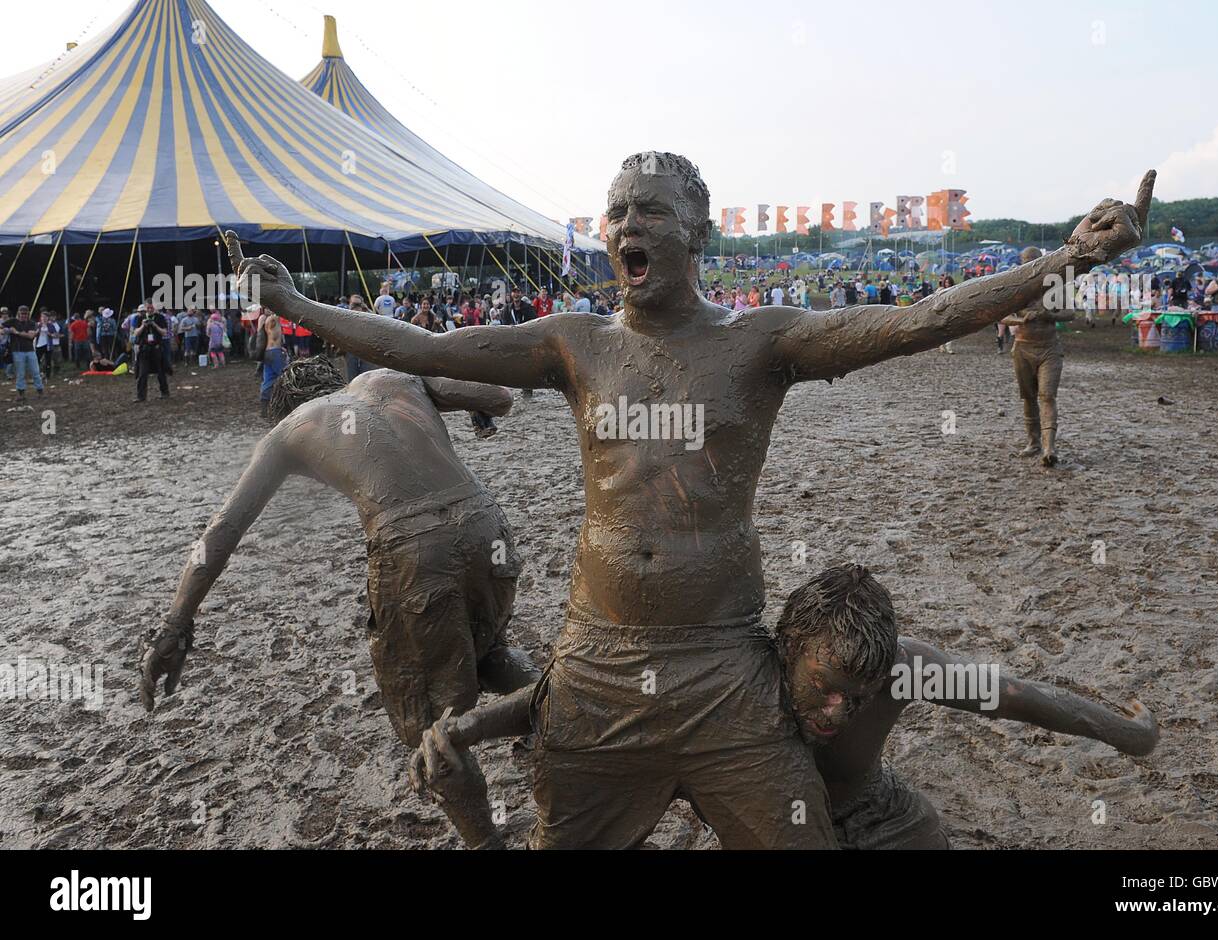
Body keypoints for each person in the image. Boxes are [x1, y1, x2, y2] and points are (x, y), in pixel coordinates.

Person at [226, 154, 1153, 849]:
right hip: (596, 666)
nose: (630, 225)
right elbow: (421, 348)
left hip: (723, 662)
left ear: (697, 232)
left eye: (653, 212)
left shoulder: (764, 341)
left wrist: (1063, 259)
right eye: (618, 211)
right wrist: (302, 303)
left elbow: (914, 321)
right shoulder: (572, 342)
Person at [413, 565, 1158, 850]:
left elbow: (1015, 697)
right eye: (825, 686)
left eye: (857, 696)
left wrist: (1124, 733)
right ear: (789, 646)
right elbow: (574, 700)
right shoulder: (737, 670)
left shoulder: (904, 672)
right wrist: (471, 725)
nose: (836, 710)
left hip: (880, 819)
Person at [138, 357, 533, 757]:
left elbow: (220, 533)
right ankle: (552, 714)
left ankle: (483, 816)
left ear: (286, 407)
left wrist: (174, 626)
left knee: (427, 724)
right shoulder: (389, 378)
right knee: (487, 652)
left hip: (414, 546)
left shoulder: (289, 429)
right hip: (485, 521)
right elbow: (497, 397)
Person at [1000, 247, 1075, 467]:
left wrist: (1049, 315)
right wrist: (1020, 321)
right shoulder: (1015, 288)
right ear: (1021, 263)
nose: (1030, 264)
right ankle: (1033, 442)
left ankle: (1049, 447)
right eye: (1026, 261)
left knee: (1047, 395)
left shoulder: (1055, 284)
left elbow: (1071, 313)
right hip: (1023, 348)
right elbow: (1002, 316)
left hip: (1049, 348)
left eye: (1034, 260)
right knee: (1028, 397)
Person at [4, 305, 45, 399]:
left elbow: (31, 336)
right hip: (17, 351)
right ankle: (21, 394)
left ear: (28, 314)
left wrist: (16, 332)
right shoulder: (13, 321)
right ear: (18, 313)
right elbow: (2, 327)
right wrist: (5, 330)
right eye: (22, 313)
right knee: (20, 373)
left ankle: (40, 391)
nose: (24, 315)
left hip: (30, 350)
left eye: (25, 314)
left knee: (35, 372)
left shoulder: (31, 323)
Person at [132, 305, 170, 401]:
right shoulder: (139, 318)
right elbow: (136, 333)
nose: (149, 310)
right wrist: (143, 326)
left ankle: (165, 393)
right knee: (142, 373)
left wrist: (155, 325)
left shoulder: (160, 318)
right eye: (147, 308)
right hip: (144, 349)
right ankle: (141, 396)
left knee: (161, 372)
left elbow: (164, 332)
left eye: (151, 308)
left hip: (156, 348)